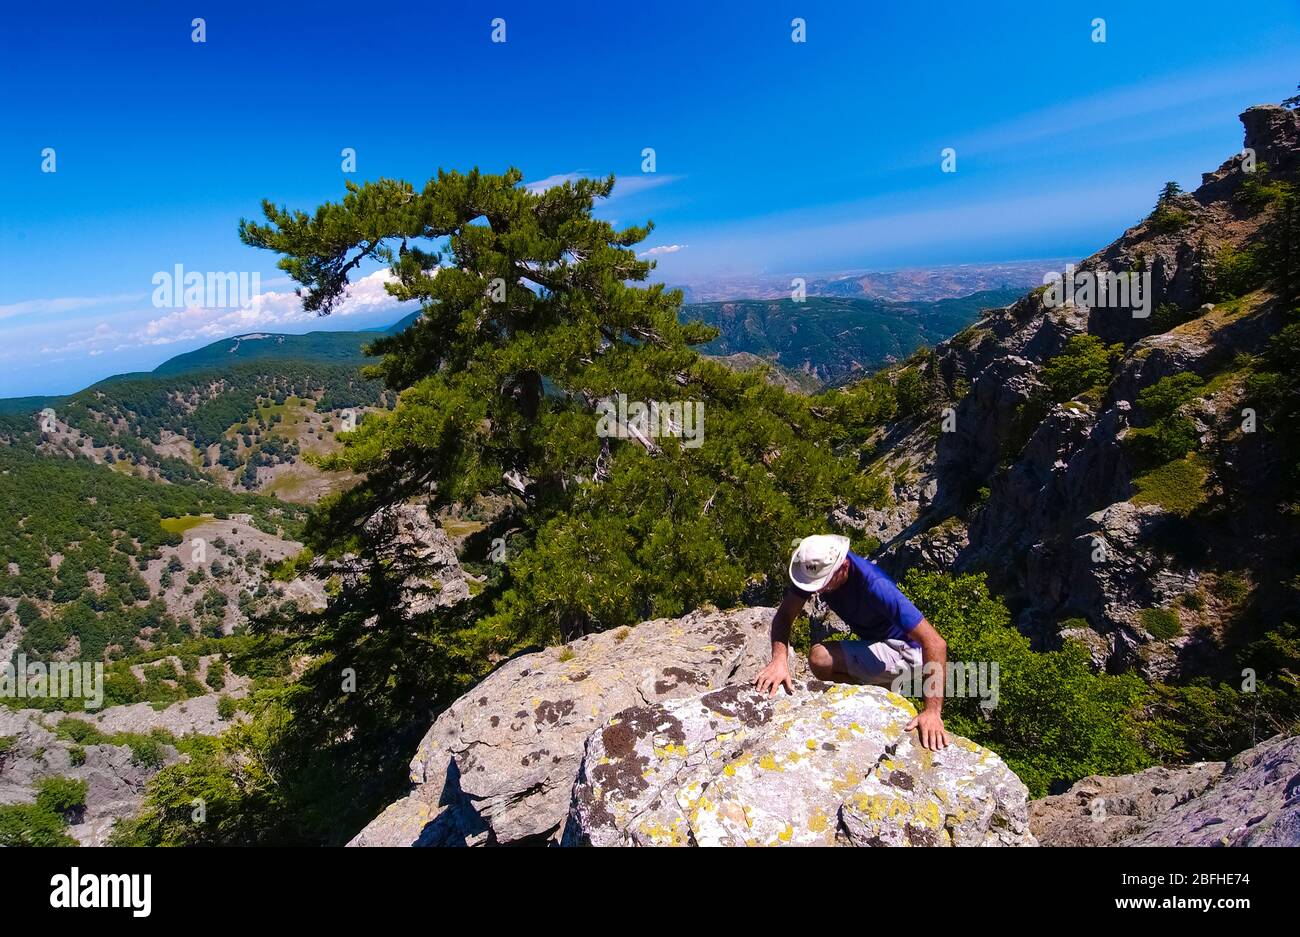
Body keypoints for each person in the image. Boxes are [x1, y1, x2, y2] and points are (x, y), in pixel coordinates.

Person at [753, 534, 949, 751]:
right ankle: (883, 697)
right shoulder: (818, 568)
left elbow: (935, 643)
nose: (817, 590)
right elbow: (784, 615)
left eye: (823, 584)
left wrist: (932, 711)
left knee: (820, 658)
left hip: (907, 651)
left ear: (843, 567)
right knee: (827, 662)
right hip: (878, 644)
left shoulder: (875, 585)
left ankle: (881, 694)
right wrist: (779, 660)